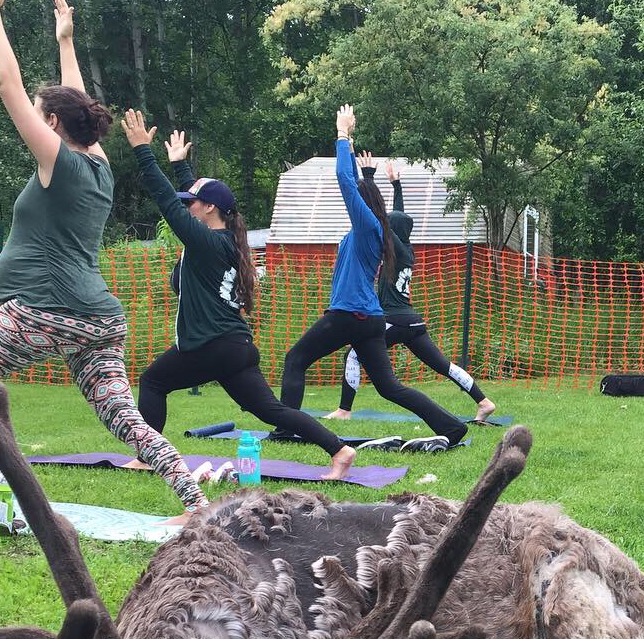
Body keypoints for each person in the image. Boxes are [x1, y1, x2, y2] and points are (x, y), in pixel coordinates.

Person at [0, 0, 206, 519]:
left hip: (46, 308)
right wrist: (66, 43)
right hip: (99, 317)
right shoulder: (100, 164)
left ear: (52, 126)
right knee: (123, 418)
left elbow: (5, 83)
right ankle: (195, 501)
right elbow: (79, 104)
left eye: (43, 117)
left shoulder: (57, 161)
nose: (35, 122)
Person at [120, 111, 357, 480]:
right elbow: (193, 198)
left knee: (154, 380)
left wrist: (142, 152)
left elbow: (169, 202)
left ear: (209, 209)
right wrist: (182, 166)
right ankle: (339, 451)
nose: (187, 208)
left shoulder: (206, 242)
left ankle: (148, 455)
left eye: (193, 204)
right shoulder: (227, 239)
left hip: (213, 344)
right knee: (270, 411)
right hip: (234, 345)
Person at [273, 106, 469, 450]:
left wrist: (342, 135)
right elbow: (352, 180)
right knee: (389, 387)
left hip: (350, 315)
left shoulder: (367, 226)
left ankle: (287, 427)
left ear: (362, 204)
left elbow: (345, 182)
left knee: (295, 359)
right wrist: (350, 150)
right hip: (369, 319)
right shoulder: (370, 227)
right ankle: (451, 426)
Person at [327, 153, 496, 425]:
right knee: (444, 365)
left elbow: (377, 215)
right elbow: (397, 217)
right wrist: (396, 186)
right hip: (413, 320)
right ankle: (483, 401)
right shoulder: (406, 248)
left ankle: (344, 410)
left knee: (354, 353)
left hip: (393, 318)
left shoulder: (391, 243)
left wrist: (369, 177)